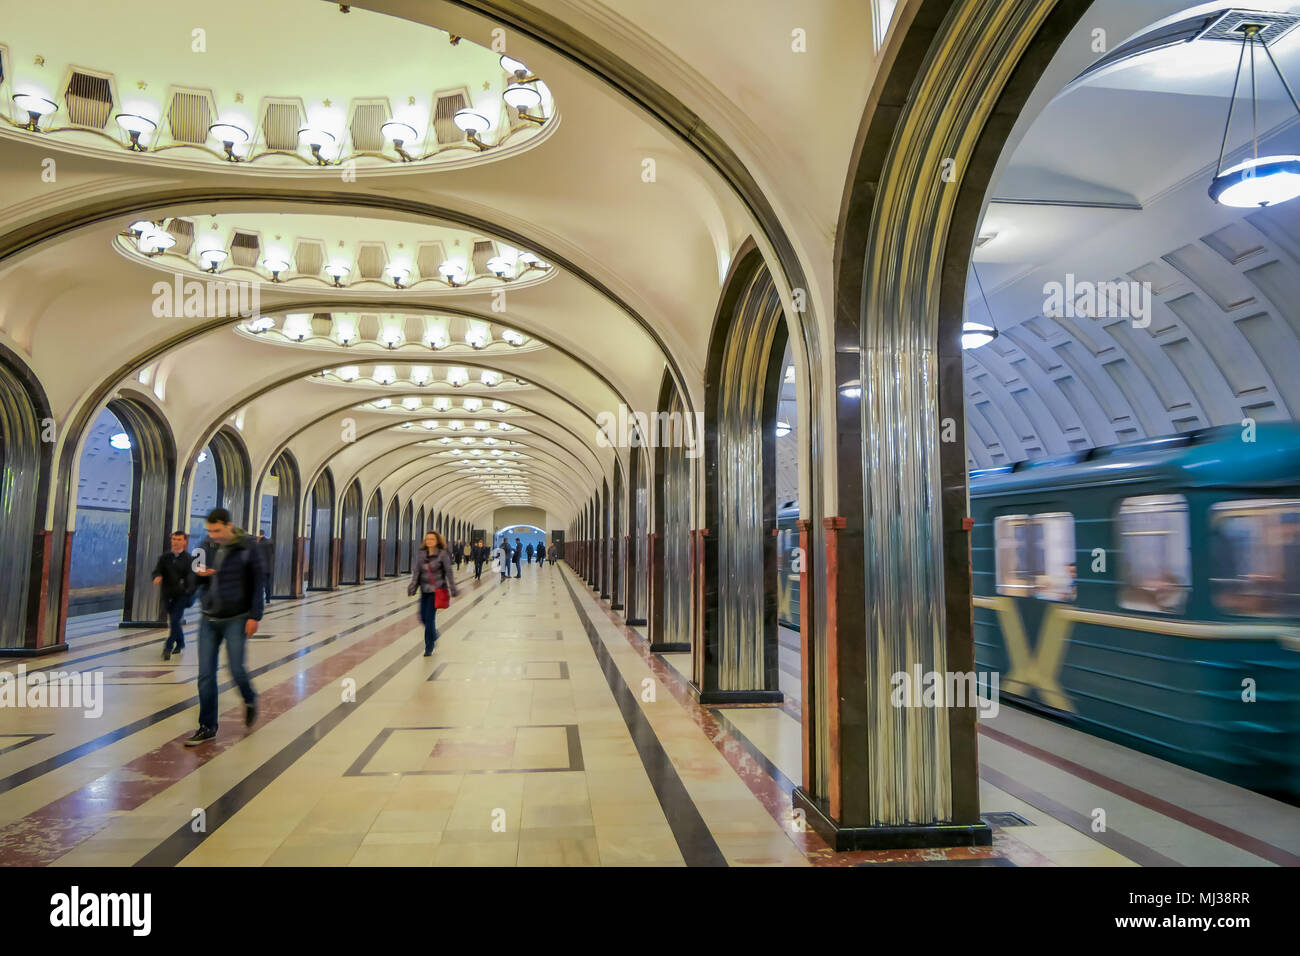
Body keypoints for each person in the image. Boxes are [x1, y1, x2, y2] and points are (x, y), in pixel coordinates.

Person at [186, 508, 264, 746]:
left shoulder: (248, 547)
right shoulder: (204, 546)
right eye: (210, 531)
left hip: (237, 617)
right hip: (209, 617)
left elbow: (258, 583)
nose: (213, 535)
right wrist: (199, 576)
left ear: (229, 525)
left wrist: (255, 616)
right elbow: (193, 573)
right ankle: (207, 726)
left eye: (217, 530)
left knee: (236, 668)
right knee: (205, 675)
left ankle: (249, 698)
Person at [408, 531, 458, 656]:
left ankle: (428, 646)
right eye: (427, 539)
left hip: (437, 591)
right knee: (422, 617)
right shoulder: (420, 555)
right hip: (424, 590)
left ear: (437, 541)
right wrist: (412, 588)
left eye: (432, 539)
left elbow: (449, 573)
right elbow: (416, 573)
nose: (429, 541)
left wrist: (453, 589)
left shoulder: (443, 555)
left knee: (429, 619)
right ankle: (434, 634)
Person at [152, 530, 196, 661]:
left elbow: (191, 578)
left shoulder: (188, 559)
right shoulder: (165, 558)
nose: (175, 542)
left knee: (175, 620)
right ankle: (181, 642)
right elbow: (157, 571)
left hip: (182, 595)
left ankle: (168, 647)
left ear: (184, 542)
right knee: (174, 621)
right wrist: (157, 576)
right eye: (174, 539)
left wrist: (188, 591)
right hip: (167, 594)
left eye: (178, 540)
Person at [256, 530, 275, 605]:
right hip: (269, 566)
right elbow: (273, 552)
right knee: (268, 583)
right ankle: (268, 599)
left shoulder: (258, 544)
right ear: (264, 534)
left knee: (260, 584)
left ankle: (260, 598)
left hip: (260, 567)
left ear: (259, 534)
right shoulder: (269, 542)